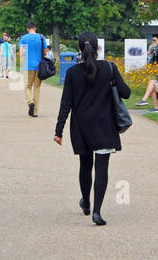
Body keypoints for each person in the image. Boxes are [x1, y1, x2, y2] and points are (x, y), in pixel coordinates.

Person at [54, 32, 129, 226]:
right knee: (102, 169)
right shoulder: (109, 69)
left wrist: (58, 131)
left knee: (85, 166)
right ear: (98, 48)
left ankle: (86, 202)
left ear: (79, 49)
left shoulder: (72, 73)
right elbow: (126, 93)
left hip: (81, 127)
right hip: (104, 126)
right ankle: (97, 212)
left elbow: (66, 104)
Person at [18, 22, 48, 117]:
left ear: (27, 29)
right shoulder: (41, 37)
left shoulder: (24, 38)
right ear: (35, 28)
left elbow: (21, 54)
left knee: (27, 87)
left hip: (28, 66)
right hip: (39, 66)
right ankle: (35, 112)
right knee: (37, 88)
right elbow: (45, 53)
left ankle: (30, 102)